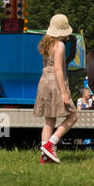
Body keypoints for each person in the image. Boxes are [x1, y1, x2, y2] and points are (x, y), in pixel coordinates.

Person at [33, 15, 78, 164]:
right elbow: (58, 68)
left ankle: (45, 157)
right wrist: (64, 93)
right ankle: (51, 143)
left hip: (44, 81)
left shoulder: (45, 44)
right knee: (73, 116)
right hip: (55, 82)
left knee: (49, 121)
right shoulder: (60, 45)